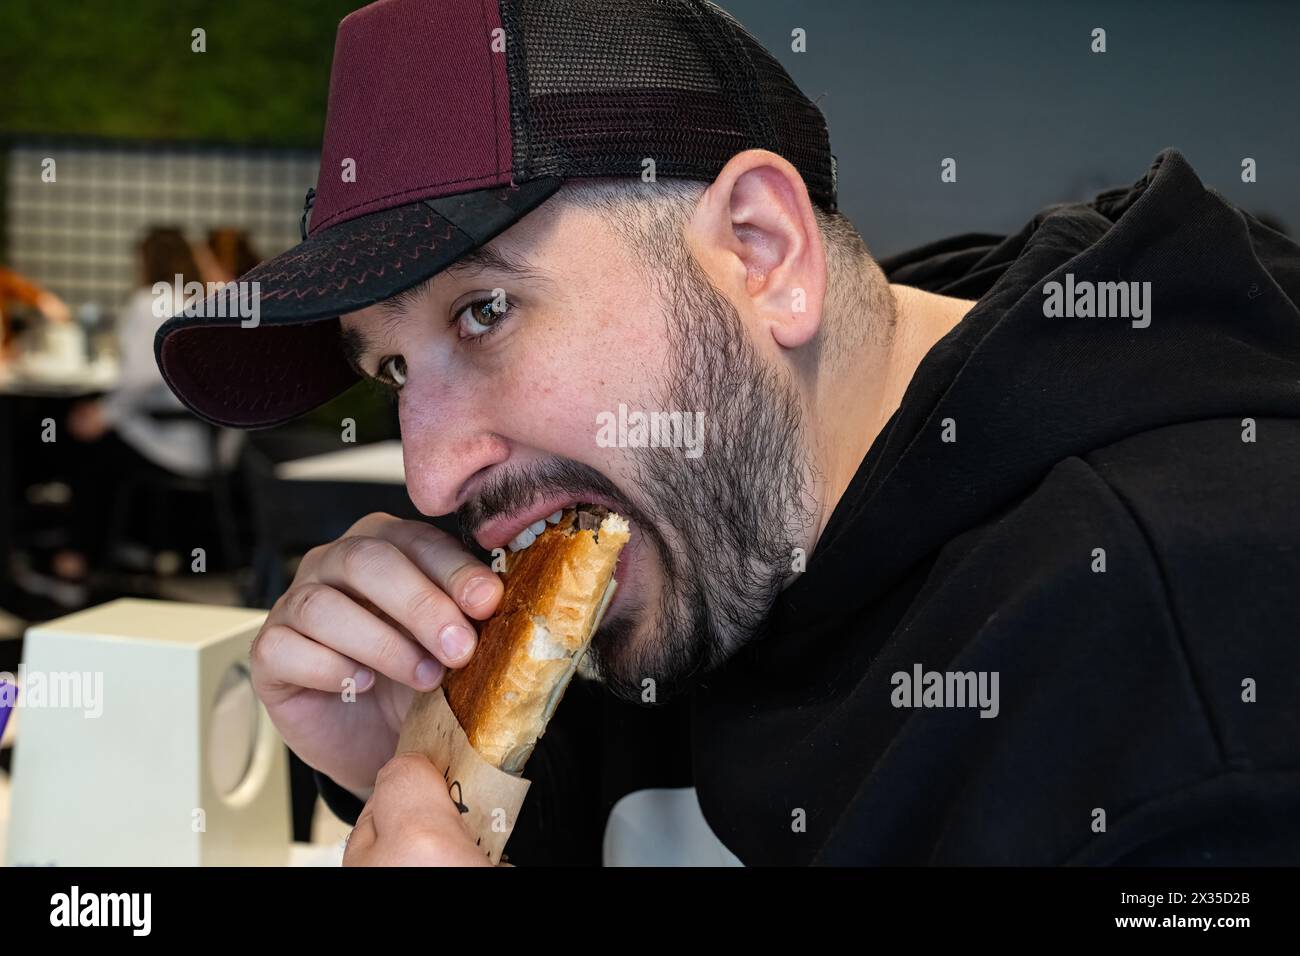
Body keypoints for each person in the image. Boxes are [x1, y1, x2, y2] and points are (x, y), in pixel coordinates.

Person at [155, 0, 1300, 866]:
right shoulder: (707, 523)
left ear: (761, 251)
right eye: (395, 367)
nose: (431, 467)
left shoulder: (1193, 669)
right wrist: (427, 777)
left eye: (486, 308)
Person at [61, 228, 236, 578]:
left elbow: (140, 376)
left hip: (173, 440)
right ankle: (131, 546)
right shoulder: (210, 297)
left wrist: (105, 414)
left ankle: (78, 556)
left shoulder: (151, 302)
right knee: (103, 440)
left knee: (82, 444)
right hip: (217, 444)